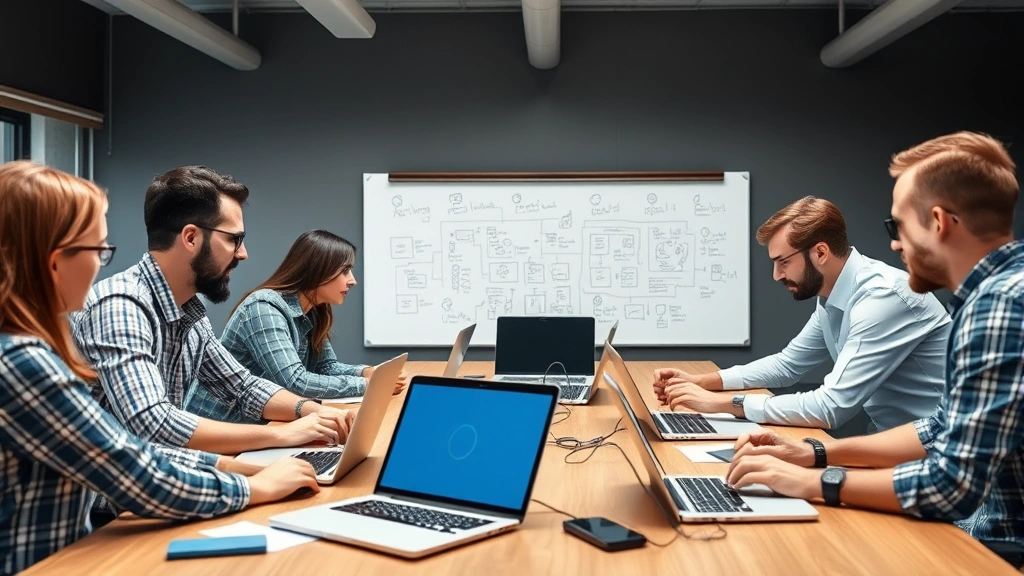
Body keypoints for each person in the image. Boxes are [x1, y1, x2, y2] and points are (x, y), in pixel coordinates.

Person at [0, 161, 321, 573]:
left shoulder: (26, 348)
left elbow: (132, 449)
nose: (102, 264)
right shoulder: (26, 361)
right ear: (52, 259)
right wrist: (252, 484)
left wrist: (244, 464)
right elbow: (133, 465)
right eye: (98, 250)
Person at [726, 132, 1024, 567]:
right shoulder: (994, 295)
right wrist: (814, 453)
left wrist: (814, 481)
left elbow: (949, 486)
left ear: (938, 222)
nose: (894, 244)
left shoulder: (999, 306)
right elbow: (938, 428)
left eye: (897, 226)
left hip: (997, 544)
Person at [70, 165, 355, 459]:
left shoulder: (191, 311)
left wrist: (313, 412)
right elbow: (152, 422)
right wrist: (281, 434)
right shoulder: (121, 305)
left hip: (168, 473)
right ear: (191, 238)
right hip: (113, 500)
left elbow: (241, 386)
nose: (243, 253)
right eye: (234, 239)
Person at [653, 196, 950, 431]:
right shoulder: (833, 297)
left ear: (820, 253)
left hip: (937, 462)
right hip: (893, 447)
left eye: (783, 262)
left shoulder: (882, 298)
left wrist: (720, 404)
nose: (776, 275)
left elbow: (831, 406)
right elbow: (787, 365)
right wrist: (698, 381)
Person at [188, 230, 406, 422]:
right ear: (318, 271)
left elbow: (326, 367)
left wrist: (370, 372)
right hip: (222, 430)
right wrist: (370, 385)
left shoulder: (313, 310)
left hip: (265, 422)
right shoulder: (264, 307)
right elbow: (295, 382)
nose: (352, 280)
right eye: (345, 270)